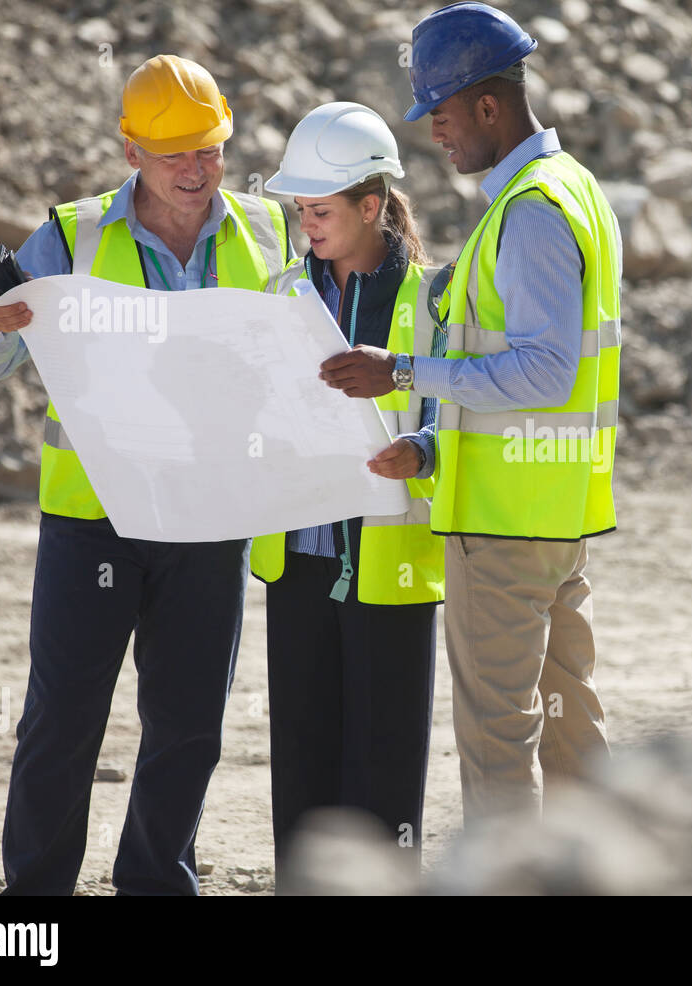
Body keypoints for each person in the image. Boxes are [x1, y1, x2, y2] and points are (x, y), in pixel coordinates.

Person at [0, 54, 292, 895]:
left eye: (209, 149)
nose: (196, 170)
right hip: (92, 521)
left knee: (188, 728)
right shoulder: (74, 236)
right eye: (174, 152)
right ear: (131, 151)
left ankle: (154, 881)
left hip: (210, 518)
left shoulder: (269, 232)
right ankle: (34, 902)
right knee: (62, 721)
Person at [322, 1, 623, 826]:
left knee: (498, 741)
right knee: (571, 729)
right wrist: (428, 441)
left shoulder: (528, 211)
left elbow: (544, 370)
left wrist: (404, 371)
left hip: (503, 526)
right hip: (558, 515)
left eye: (443, 114)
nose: (435, 135)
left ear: (488, 106)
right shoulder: (575, 190)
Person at [247, 102, 445, 868]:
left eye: (321, 210)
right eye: (300, 210)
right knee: (300, 763)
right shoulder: (281, 293)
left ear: (372, 206)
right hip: (298, 562)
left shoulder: (430, 300)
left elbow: (456, 419)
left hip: (390, 570)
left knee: (384, 767)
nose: (308, 225)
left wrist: (421, 452)